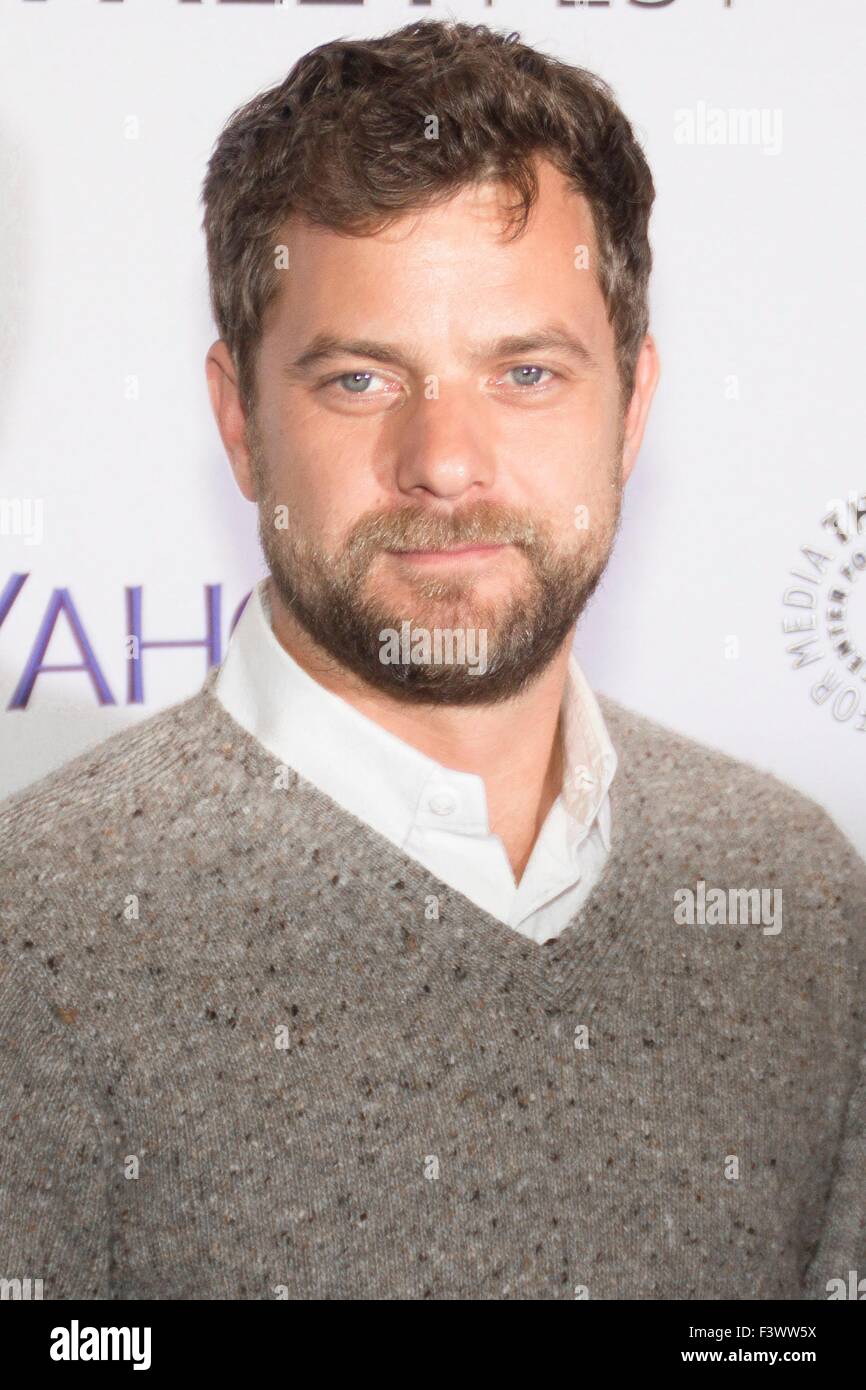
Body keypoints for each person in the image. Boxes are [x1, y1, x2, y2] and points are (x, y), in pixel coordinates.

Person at [1, 20, 863, 1301]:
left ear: (629, 409)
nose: (444, 461)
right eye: (358, 380)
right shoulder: (37, 933)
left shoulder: (790, 889)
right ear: (239, 422)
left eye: (524, 370)